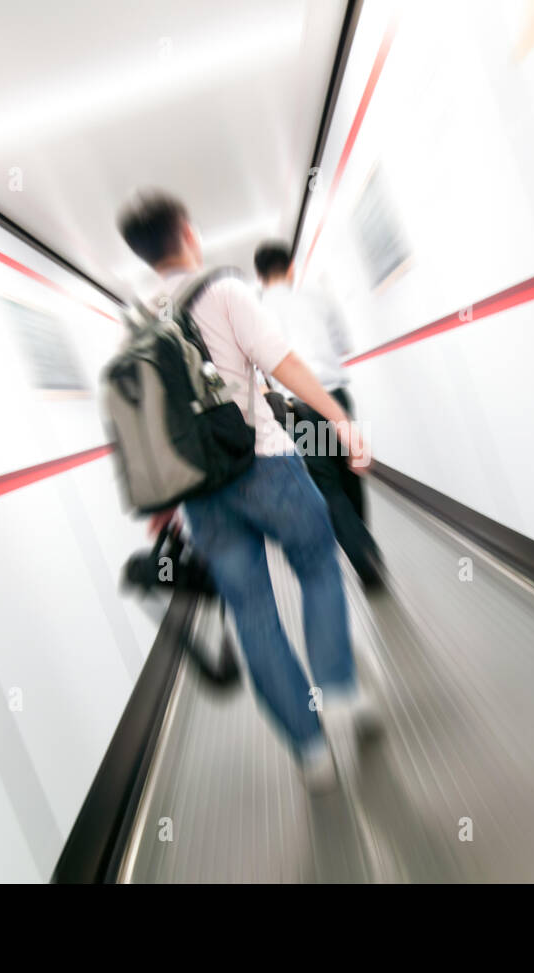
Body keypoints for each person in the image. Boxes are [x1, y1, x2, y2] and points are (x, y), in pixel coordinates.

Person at [116, 192, 379, 791]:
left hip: (199, 496)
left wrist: (160, 513)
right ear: (187, 231)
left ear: (139, 252)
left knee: (251, 612)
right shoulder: (224, 291)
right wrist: (338, 419)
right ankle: (337, 686)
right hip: (264, 464)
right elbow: (281, 362)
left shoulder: (133, 322)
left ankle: (309, 751)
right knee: (316, 566)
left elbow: (144, 428)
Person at [254, 241, 386, 592]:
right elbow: (344, 342)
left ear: (258, 275)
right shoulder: (317, 296)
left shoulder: (254, 310)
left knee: (326, 485)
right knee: (351, 474)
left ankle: (362, 554)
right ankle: (365, 543)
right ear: (290, 267)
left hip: (296, 409)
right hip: (334, 397)